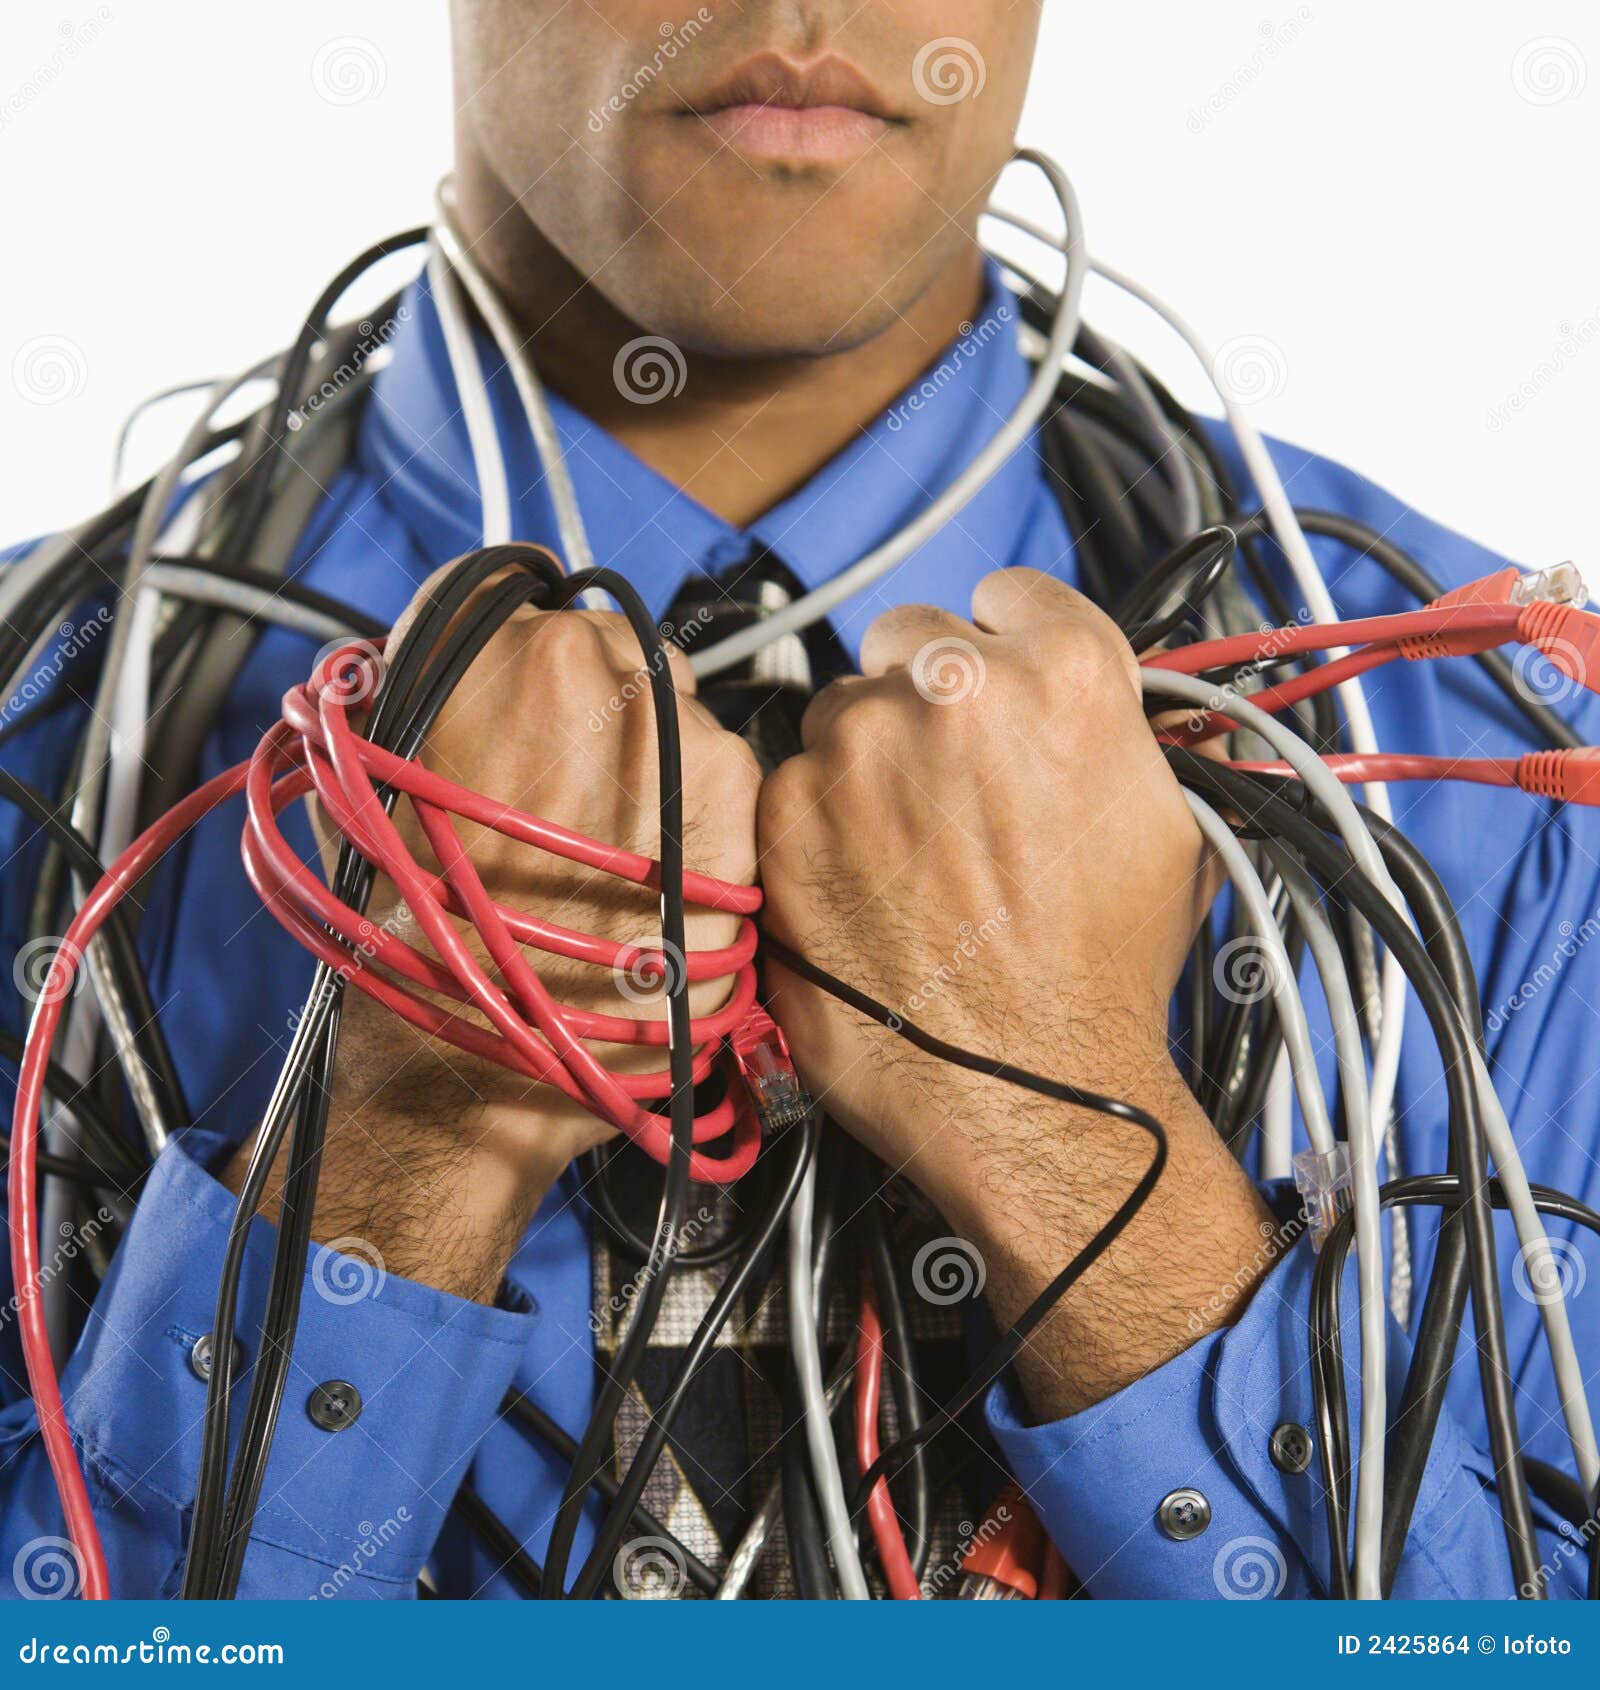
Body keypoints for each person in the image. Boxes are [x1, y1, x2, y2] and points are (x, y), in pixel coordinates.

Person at [1, 1, 1596, 1600]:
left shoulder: (1517, 775)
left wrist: (1081, 1156)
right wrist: (397, 1160)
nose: (800, 10)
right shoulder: (47, 718)